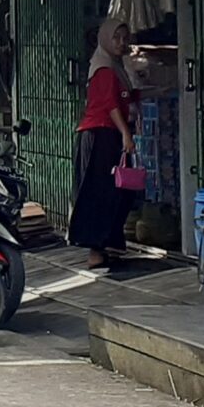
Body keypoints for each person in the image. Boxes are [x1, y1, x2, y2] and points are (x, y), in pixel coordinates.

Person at [70, 17, 137, 271]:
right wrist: (125, 134)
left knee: (117, 191)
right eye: (116, 38)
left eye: (124, 37)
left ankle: (110, 243)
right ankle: (95, 250)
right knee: (99, 192)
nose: (121, 43)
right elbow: (110, 105)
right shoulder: (104, 69)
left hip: (110, 135)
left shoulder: (115, 66)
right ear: (104, 39)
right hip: (100, 135)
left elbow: (123, 98)